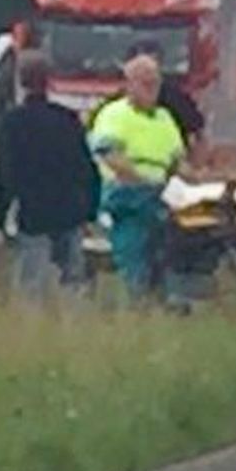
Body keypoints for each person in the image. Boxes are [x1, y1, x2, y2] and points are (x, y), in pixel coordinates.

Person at [0, 49, 100, 299]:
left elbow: (5, 174)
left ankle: (32, 331)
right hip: (69, 213)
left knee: (31, 283)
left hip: (33, 215)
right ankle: (73, 328)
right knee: (73, 282)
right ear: (49, 80)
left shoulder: (13, 123)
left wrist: (0, 215)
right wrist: (90, 211)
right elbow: (87, 169)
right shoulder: (68, 119)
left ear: (21, 81)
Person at [90, 53, 185, 300]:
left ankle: (168, 292)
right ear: (129, 84)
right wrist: (144, 181)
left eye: (155, 83)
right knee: (138, 237)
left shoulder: (165, 118)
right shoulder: (114, 114)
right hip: (125, 192)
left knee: (176, 233)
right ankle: (139, 296)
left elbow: (178, 160)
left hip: (161, 190)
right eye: (145, 83)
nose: (151, 90)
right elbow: (111, 156)